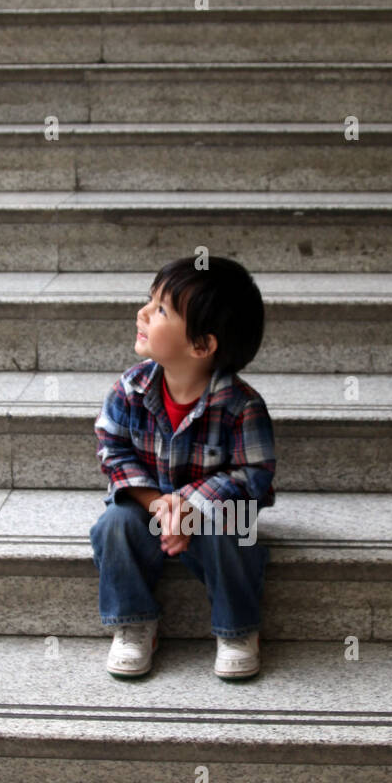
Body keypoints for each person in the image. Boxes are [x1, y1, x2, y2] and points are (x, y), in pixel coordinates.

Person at [91, 255, 276, 679]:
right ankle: (134, 623)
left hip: (214, 516)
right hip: (149, 506)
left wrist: (192, 505)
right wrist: (158, 503)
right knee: (113, 526)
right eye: (149, 301)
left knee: (236, 530)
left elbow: (254, 475)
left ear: (202, 346)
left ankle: (237, 628)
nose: (142, 313)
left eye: (160, 310)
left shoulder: (241, 405)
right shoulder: (130, 389)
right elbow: (112, 449)